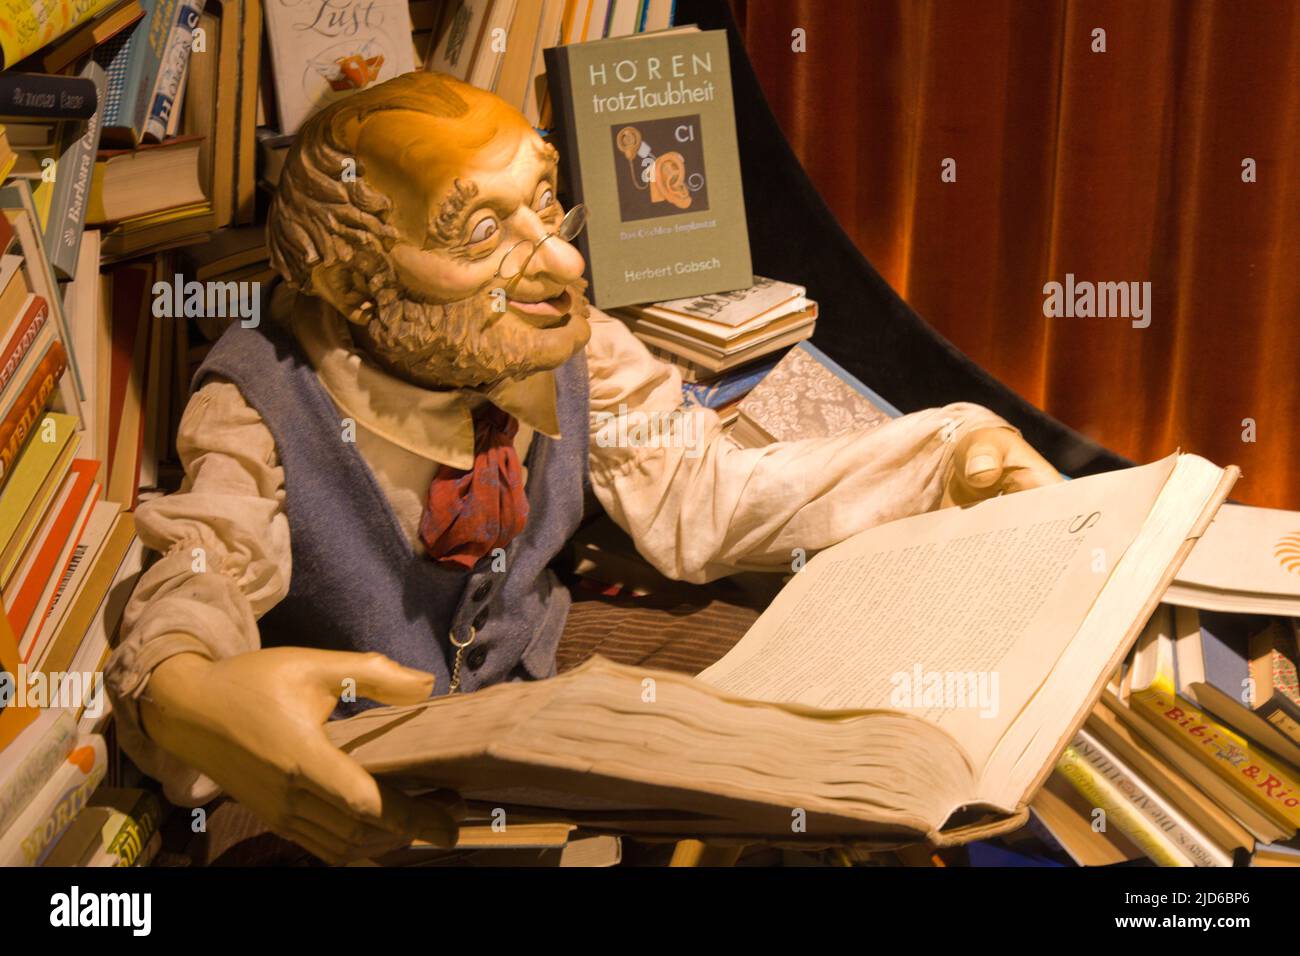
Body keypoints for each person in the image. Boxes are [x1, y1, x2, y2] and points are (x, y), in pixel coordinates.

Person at [106, 71, 1059, 864]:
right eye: (479, 233)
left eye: (545, 201)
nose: (560, 258)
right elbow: (201, 568)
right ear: (357, 280)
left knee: (832, 737)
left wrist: (942, 457)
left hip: (544, 671)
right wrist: (187, 689)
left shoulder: (579, 351)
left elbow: (705, 496)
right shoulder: (259, 399)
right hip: (356, 748)